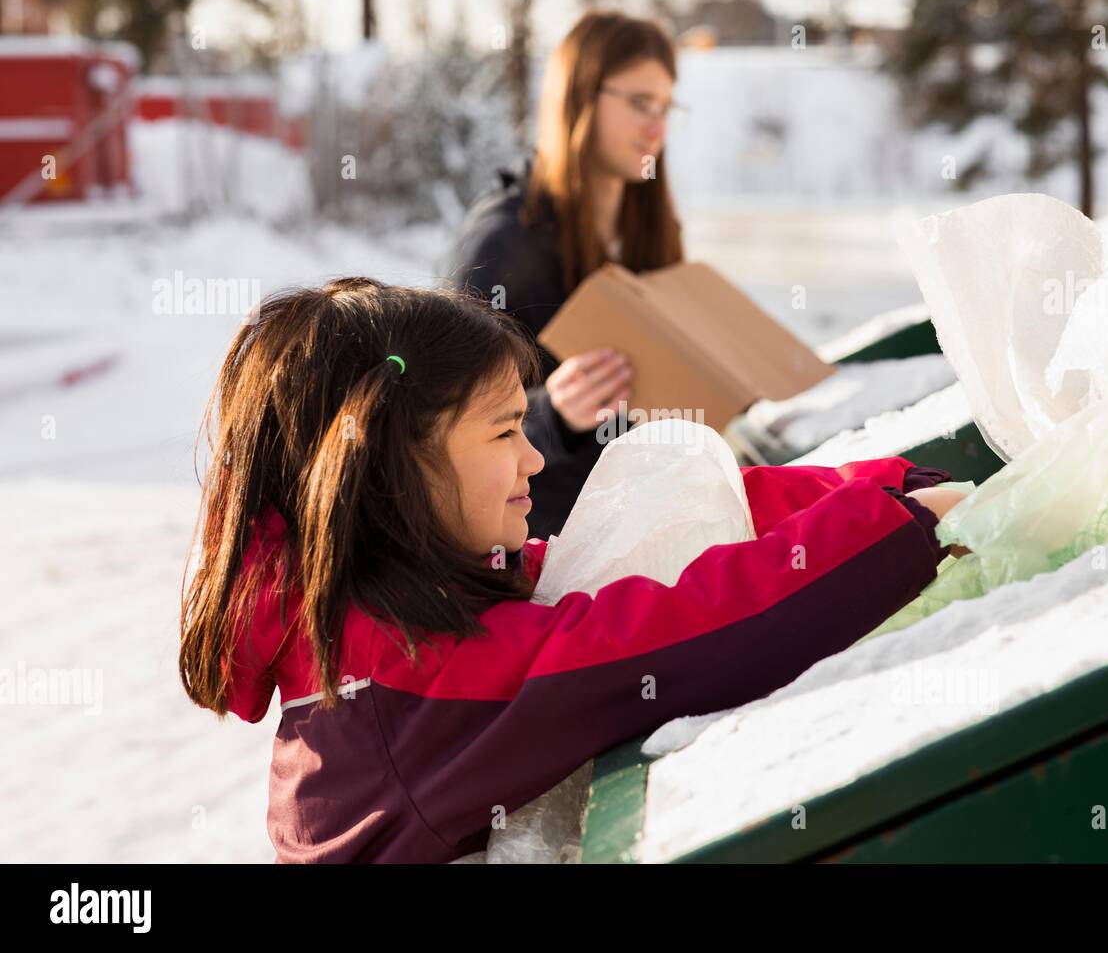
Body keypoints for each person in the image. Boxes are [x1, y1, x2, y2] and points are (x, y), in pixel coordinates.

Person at [179, 278, 967, 863]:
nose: (533, 458)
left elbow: (651, 530)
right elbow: (672, 638)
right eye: (503, 433)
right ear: (394, 472)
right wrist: (893, 532)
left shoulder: (397, 600)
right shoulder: (412, 668)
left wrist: (879, 486)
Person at [442, 10, 688, 539]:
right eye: (639, 103)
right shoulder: (503, 243)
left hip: (640, 510)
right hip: (539, 541)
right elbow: (446, 429)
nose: (657, 127)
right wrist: (553, 412)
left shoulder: (648, 230)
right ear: (580, 97)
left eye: (667, 107)